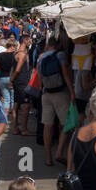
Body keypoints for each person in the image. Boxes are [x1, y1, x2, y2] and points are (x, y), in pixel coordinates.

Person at [37, 35, 74, 166]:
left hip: (46, 94)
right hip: (60, 93)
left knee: (48, 125)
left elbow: (39, 78)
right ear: (58, 44)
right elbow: (66, 75)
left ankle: (48, 157)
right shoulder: (60, 55)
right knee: (65, 124)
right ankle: (59, 152)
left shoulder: (41, 58)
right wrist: (72, 92)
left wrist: (42, 90)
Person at [0, 39, 17, 129]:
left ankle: (4, 121)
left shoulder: (0, 55)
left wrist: (1, 74)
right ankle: (13, 122)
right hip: (12, 78)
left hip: (2, 78)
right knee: (13, 100)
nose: (16, 48)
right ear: (12, 46)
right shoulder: (14, 56)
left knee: (5, 100)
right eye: (15, 46)